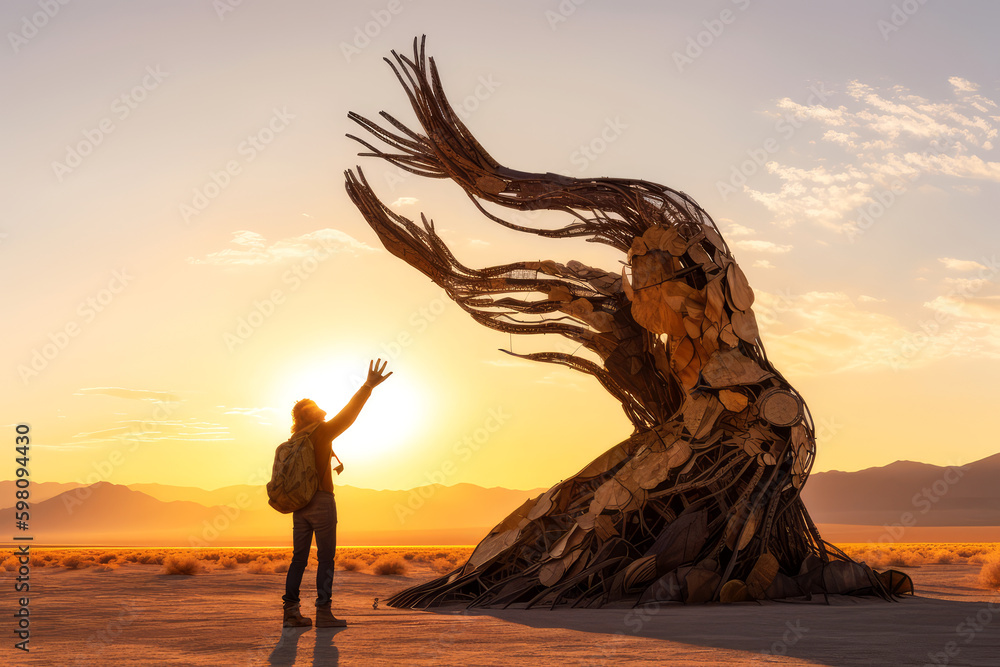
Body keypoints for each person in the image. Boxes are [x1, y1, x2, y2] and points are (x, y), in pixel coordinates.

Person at [282, 359, 392, 628]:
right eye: (316, 408)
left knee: (299, 558)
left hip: (300, 506)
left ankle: (291, 613)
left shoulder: (295, 440)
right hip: (320, 500)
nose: (322, 410)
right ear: (310, 415)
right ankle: (323, 612)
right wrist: (367, 386)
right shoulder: (321, 432)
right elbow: (349, 415)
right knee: (326, 558)